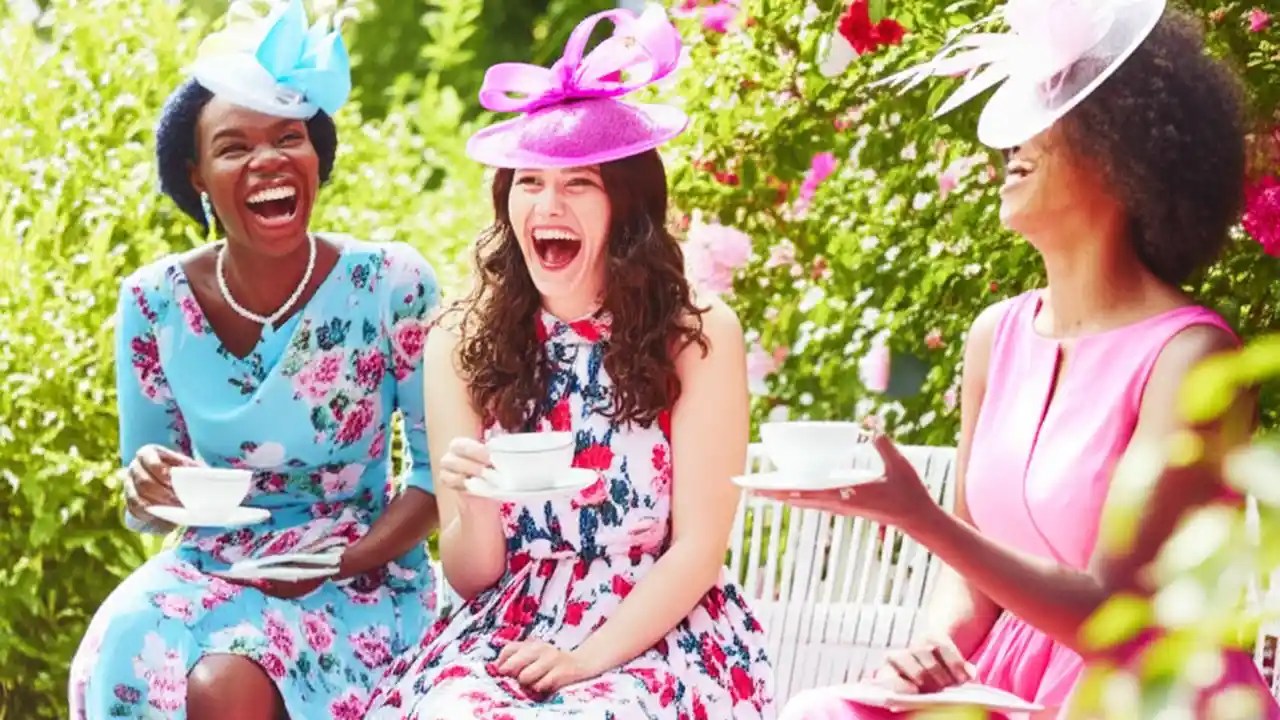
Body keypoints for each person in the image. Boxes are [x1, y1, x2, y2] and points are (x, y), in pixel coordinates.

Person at [769, 0, 1280, 718]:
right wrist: (935, 653)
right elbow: (969, 589)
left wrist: (919, 517)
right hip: (1008, 685)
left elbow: (1115, 621)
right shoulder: (994, 335)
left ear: (1123, 148)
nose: (1013, 140)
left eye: (1052, 108)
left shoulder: (1189, 356)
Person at [364, 6, 775, 719]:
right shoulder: (460, 341)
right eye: (528, 182)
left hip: (661, 631)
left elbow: (699, 549)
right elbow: (472, 575)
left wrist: (586, 660)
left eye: (579, 183)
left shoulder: (697, 334)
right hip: (509, 629)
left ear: (626, 208)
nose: (547, 203)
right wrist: (476, 497)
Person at [68, 2, 440, 718]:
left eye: (288, 138)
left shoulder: (392, 284)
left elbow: (434, 480)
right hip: (212, 565)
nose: (267, 160)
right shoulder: (153, 303)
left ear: (316, 158)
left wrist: (342, 559)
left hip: (358, 570)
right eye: (234, 146)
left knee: (224, 686)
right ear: (198, 175)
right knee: (124, 643)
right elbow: (150, 494)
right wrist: (149, 483)